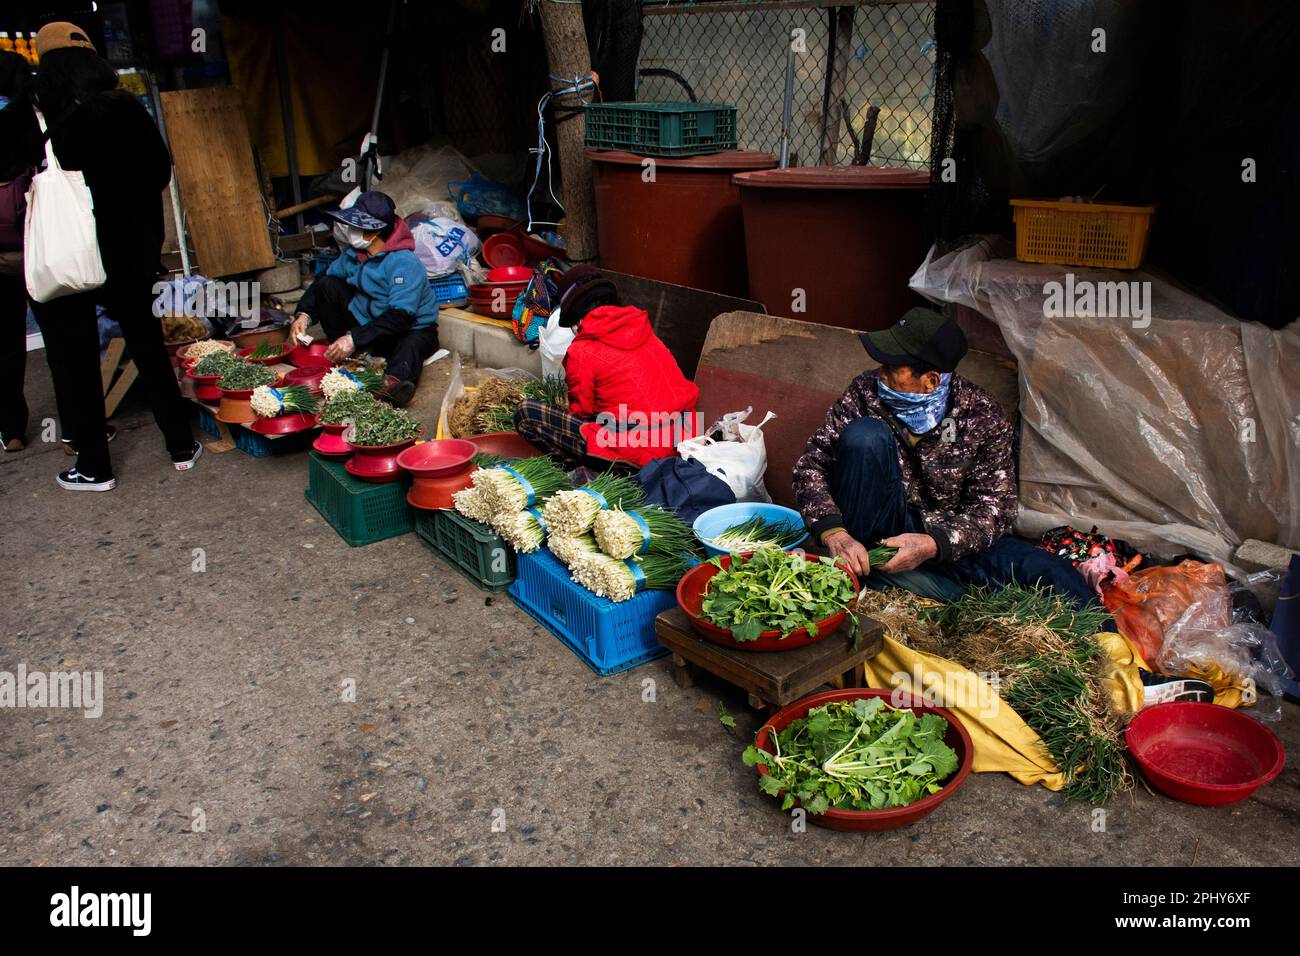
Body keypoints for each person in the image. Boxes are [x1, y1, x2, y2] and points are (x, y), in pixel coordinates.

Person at [792, 307, 1097, 608]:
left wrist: (932, 545)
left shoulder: (980, 415)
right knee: (865, 436)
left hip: (944, 537)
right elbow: (812, 467)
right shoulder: (864, 393)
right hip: (871, 531)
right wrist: (836, 534)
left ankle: (903, 581)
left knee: (1054, 576)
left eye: (892, 368)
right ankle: (868, 570)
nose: (879, 374)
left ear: (931, 380)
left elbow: (995, 509)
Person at [25, 22, 200, 491]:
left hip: (75, 257)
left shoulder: (45, 117)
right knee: (145, 341)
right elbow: (161, 172)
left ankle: (95, 466)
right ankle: (181, 445)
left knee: (74, 358)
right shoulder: (127, 107)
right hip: (131, 250)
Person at [513, 266, 698, 468]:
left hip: (643, 455)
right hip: (685, 441)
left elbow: (581, 412)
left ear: (576, 318)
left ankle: (579, 471)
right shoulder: (642, 329)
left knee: (526, 413)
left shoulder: (582, 351)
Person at [288, 191, 439, 408]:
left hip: (409, 328)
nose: (349, 230)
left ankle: (392, 387)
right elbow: (326, 278)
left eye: (355, 226)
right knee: (327, 286)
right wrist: (304, 315)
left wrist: (354, 338)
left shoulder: (404, 262)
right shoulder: (354, 253)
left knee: (411, 348)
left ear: (375, 231)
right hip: (370, 325)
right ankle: (346, 354)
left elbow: (401, 316)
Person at [0, 49, 40, 452]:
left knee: (5, 344)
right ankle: (76, 434)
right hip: (39, 242)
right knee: (64, 341)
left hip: (1, 252)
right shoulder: (31, 119)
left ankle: (11, 428)